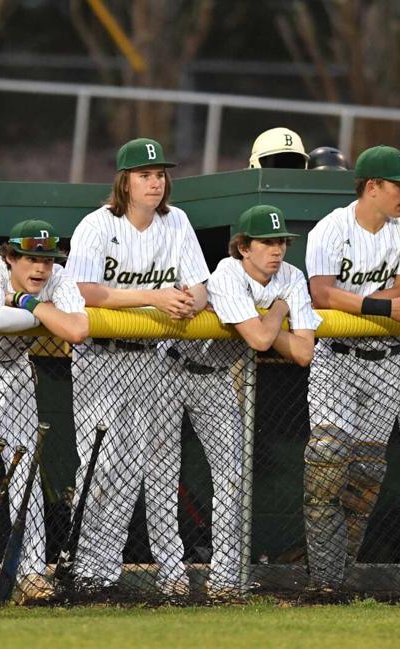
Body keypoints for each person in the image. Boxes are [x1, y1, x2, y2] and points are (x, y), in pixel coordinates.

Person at [64, 138, 210, 595]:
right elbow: (83, 290)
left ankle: (104, 573)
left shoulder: (177, 221)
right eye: (145, 174)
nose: (155, 181)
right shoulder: (98, 224)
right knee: (99, 467)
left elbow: (201, 285)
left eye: (160, 174)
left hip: (151, 360)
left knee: (129, 470)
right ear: (124, 181)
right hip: (102, 358)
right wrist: (154, 296)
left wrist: (190, 302)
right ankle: (84, 567)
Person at [157, 204, 320, 598]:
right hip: (170, 366)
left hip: (216, 378)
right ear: (244, 248)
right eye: (267, 242)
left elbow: (303, 354)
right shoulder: (227, 272)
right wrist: (279, 310)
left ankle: (226, 579)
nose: (277, 250)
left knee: (233, 476)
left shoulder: (293, 276)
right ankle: (170, 574)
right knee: (162, 473)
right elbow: (262, 341)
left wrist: (266, 318)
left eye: (281, 241)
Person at [301, 145, 400, 591]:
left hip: (388, 364)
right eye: (399, 187)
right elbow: (321, 294)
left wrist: (360, 303)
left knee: (366, 477)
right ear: (372, 186)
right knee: (326, 464)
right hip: (337, 359)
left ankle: (341, 573)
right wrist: (379, 305)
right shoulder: (331, 228)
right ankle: (323, 582)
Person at [0, 218, 88, 602]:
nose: (41, 268)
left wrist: (29, 303)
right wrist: (46, 314)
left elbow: (78, 329)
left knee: (24, 470)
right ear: (11, 257)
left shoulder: (56, 278)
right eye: (30, 258)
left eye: (47, 260)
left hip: (11, 369)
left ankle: (30, 573)